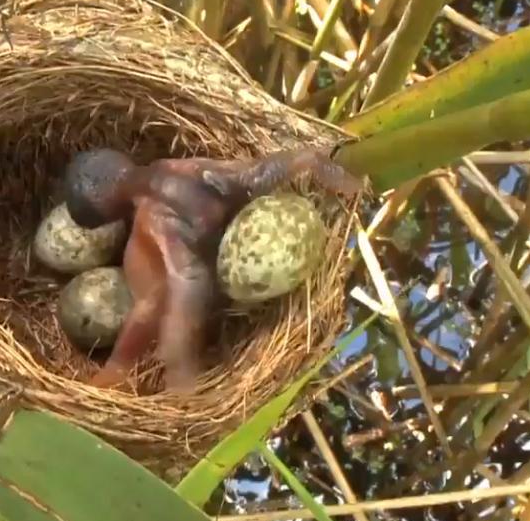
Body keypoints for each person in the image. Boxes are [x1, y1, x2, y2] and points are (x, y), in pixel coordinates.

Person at [63, 146, 363, 392]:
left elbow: (185, 281)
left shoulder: (151, 220)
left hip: (207, 276)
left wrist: (179, 364)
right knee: (254, 177)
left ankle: (118, 368)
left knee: (152, 300)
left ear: (106, 206)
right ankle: (355, 187)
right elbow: (257, 172)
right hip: (219, 228)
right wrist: (326, 170)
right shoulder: (185, 166)